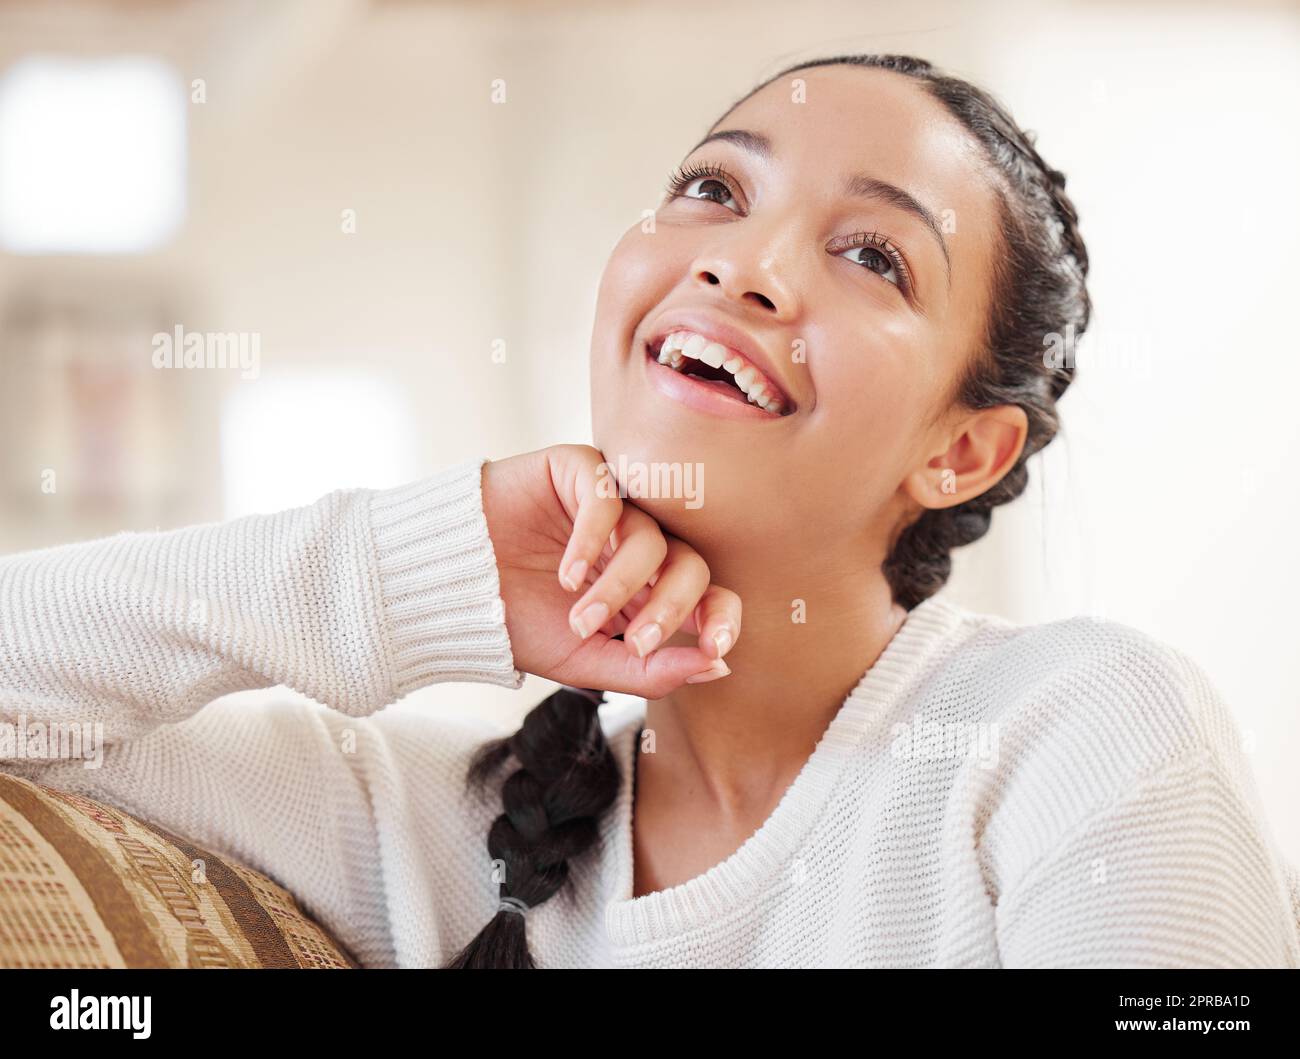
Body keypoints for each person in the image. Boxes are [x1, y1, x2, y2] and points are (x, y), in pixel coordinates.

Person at [1, 55, 1297, 969]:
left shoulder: (1081, 729)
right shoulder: (426, 825)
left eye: (872, 255)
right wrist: (418, 571)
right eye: (716, 190)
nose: (744, 260)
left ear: (963, 450)